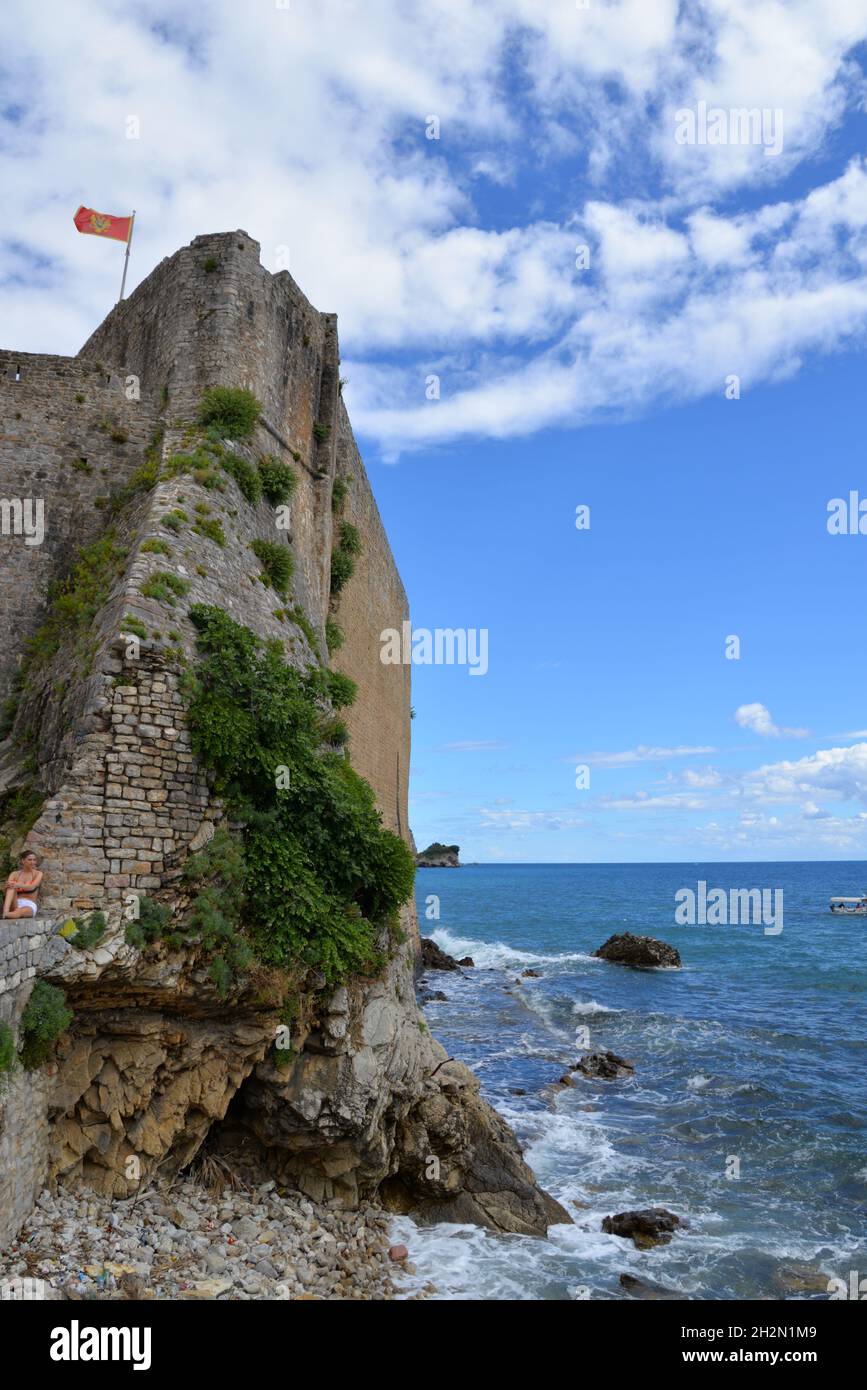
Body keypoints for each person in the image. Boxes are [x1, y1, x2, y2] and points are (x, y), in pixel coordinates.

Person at [3, 850, 43, 919]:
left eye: (34, 860)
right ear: (23, 861)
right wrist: (7, 886)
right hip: (15, 903)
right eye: (29, 860)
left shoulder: (38, 873)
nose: (32, 862)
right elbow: (7, 890)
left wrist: (17, 885)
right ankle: (5, 911)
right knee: (11, 886)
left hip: (29, 904)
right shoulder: (14, 874)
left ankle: (8, 914)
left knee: (19, 913)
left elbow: (31, 887)